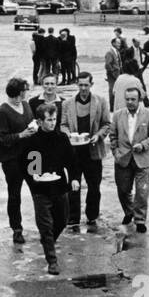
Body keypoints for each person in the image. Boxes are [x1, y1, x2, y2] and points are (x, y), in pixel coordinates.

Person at [23, 102, 77, 275]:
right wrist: (34, 180)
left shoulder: (61, 138)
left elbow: (71, 161)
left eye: (54, 119)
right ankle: (52, 261)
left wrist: (74, 179)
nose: (52, 123)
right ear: (39, 122)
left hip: (60, 187)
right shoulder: (33, 141)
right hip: (41, 191)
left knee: (62, 219)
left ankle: (48, 241)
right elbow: (29, 167)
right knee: (45, 225)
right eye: (48, 120)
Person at [60, 71, 112, 230]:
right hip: (74, 153)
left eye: (86, 85)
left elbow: (106, 124)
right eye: (80, 85)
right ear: (77, 85)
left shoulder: (101, 102)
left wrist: (98, 136)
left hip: (93, 151)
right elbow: (63, 125)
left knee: (94, 187)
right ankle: (73, 218)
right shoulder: (67, 104)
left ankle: (92, 216)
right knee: (73, 186)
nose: (83, 88)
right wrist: (69, 135)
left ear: (91, 85)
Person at [0, 77, 38, 246]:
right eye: (24, 90)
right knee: (14, 194)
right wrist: (20, 135)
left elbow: (31, 121)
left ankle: (43, 225)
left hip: (32, 156)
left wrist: (34, 127)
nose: (26, 93)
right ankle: (17, 229)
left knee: (39, 190)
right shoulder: (3, 112)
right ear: (17, 93)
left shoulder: (26, 105)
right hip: (12, 160)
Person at [111, 85, 149, 234]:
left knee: (142, 192)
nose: (130, 102)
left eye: (133, 99)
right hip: (123, 159)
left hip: (142, 159)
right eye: (127, 99)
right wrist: (116, 152)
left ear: (139, 100)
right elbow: (112, 136)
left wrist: (143, 145)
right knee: (123, 189)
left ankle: (140, 220)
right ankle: (129, 211)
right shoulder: (118, 115)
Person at [104, 39, 122, 106]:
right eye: (118, 43)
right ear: (113, 43)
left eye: (120, 43)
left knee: (116, 90)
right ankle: (112, 106)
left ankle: (115, 105)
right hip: (112, 74)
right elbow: (107, 64)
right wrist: (112, 72)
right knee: (112, 90)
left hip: (117, 74)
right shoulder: (110, 52)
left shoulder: (117, 51)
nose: (119, 45)